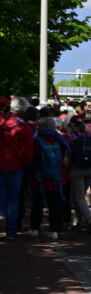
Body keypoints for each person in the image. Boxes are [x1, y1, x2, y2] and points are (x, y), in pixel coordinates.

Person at [0, 98, 34, 240]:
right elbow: (27, 153)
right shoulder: (24, 128)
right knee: (13, 198)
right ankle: (11, 231)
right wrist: (25, 164)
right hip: (15, 166)